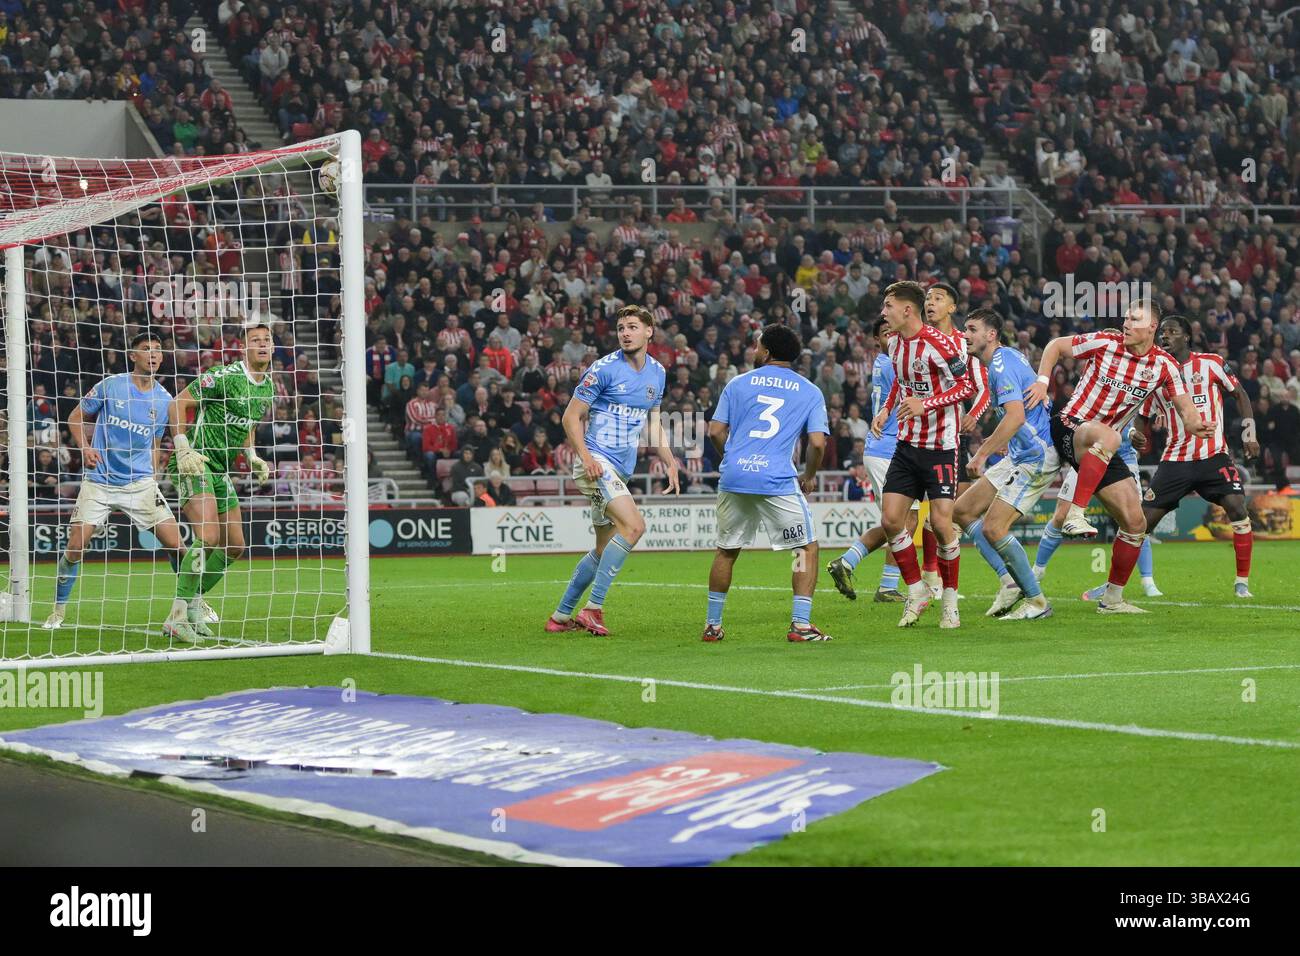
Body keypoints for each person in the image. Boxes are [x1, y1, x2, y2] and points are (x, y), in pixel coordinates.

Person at [1025, 302, 1212, 613]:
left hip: (1104, 446)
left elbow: (1186, 409)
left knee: (1136, 523)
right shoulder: (1106, 342)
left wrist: (1196, 424)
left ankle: (1112, 599)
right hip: (1071, 426)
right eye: (1126, 317)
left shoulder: (1165, 366)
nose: (1126, 323)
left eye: (1135, 319)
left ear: (1153, 327)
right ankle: (1075, 514)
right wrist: (1043, 383)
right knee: (1110, 437)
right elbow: (1056, 345)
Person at [546, 305, 678, 636]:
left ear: (649, 331)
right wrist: (586, 457)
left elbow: (653, 421)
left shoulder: (658, 373)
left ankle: (560, 617)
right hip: (596, 463)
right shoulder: (602, 369)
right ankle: (593, 609)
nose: (625, 333)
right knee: (633, 527)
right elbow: (570, 416)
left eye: (632, 327)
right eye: (621, 328)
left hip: (620, 470)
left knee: (605, 548)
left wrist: (670, 460)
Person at [43, 333, 188, 630]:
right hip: (100, 480)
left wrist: (154, 473)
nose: (153, 354)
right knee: (75, 547)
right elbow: (75, 417)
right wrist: (85, 448)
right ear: (132, 356)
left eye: (158, 350)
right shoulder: (111, 386)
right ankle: (57, 611)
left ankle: (194, 603)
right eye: (146, 349)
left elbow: (155, 442)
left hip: (140, 483)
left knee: (178, 546)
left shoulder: (164, 400)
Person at [702, 324, 831, 642]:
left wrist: (730, 458)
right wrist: (810, 475)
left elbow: (715, 432)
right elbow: (817, 442)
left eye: (758, 346)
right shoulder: (809, 391)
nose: (754, 350)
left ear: (768, 352)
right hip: (776, 478)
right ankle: (800, 626)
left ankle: (712, 626)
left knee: (727, 550)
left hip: (735, 477)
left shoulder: (738, 383)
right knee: (804, 548)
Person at [163, 321, 277, 641]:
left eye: (267, 339)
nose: (262, 344)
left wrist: (252, 455)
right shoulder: (226, 376)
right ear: (244, 347)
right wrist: (182, 446)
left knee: (235, 545)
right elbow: (178, 402)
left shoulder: (267, 386)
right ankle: (178, 614)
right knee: (209, 536)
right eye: (255, 340)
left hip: (221, 470)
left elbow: (248, 424)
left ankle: (195, 599)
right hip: (194, 462)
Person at [871, 281, 975, 628]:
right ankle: (917, 592)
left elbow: (967, 387)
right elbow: (902, 383)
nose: (883, 312)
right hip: (906, 445)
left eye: (888, 306)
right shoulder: (896, 344)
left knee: (942, 525)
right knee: (890, 521)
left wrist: (926, 404)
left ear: (907, 310)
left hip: (941, 448)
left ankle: (949, 599)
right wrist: (887, 408)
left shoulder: (940, 344)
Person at [1133, 314, 1260, 599]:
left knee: (1238, 508)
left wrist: (1249, 434)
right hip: (1175, 461)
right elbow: (1141, 415)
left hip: (1214, 457)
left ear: (1187, 337)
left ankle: (1242, 583)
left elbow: (1240, 394)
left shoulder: (1211, 363)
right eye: (1162, 332)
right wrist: (1135, 434)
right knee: (1139, 524)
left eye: (1172, 331)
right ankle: (1114, 584)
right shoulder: (1156, 372)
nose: (1164, 336)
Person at [951, 309, 1058, 621]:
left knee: (994, 528)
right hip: (1019, 454)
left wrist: (982, 453)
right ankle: (1010, 580)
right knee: (963, 510)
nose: (966, 335)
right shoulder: (1006, 358)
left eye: (972, 329)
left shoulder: (999, 365)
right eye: (965, 329)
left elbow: (1016, 417)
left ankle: (1037, 602)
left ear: (991, 334)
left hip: (1036, 455)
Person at [826, 318, 915, 602]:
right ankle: (888, 586)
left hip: (890, 449)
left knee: (898, 521)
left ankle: (848, 563)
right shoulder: (892, 364)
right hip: (887, 450)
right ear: (877, 340)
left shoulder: (882, 362)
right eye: (886, 334)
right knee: (903, 521)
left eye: (895, 332)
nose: (893, 337)